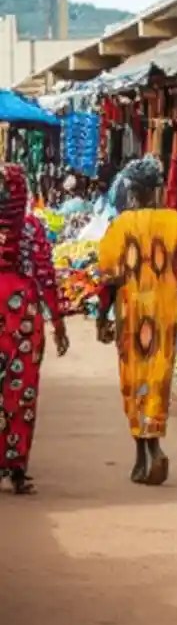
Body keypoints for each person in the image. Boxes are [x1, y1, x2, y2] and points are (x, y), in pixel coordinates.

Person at [96, 157, 177, 485]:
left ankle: (142, 453)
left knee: (133, 378)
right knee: (157, 377)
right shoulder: (174, 222)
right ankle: (153, 444)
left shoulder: (119, 227)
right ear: (156, 191)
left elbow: (107, 277)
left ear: (132, 192)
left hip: (130, 313)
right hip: (164, 314)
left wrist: (101, 316)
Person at [0, 164, 70, 494]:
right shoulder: (31, 229)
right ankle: (16, 466)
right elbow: (45, 276)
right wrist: (58, 323)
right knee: (21, 390)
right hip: (23, 317)